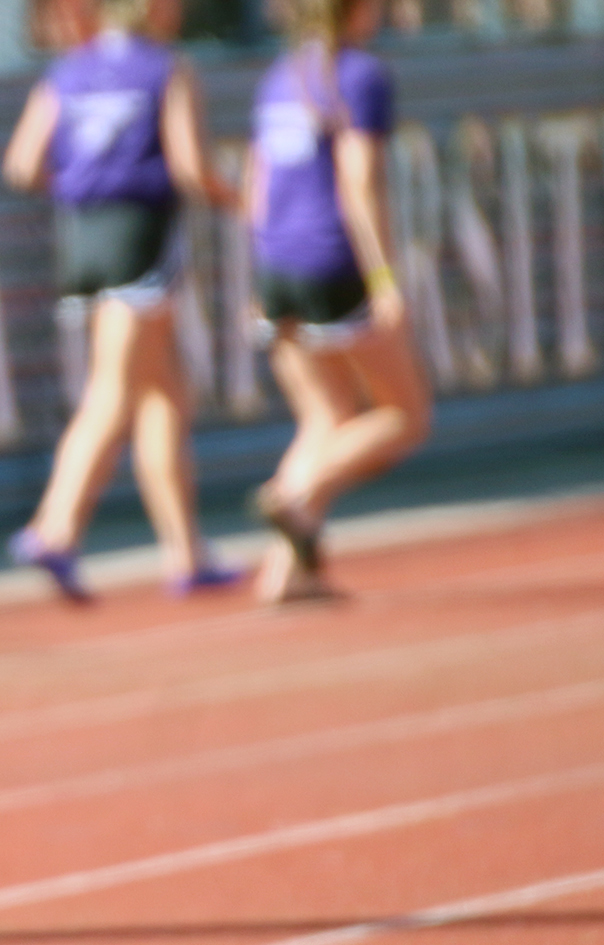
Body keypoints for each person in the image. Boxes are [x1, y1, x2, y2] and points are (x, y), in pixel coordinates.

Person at [1, 0, 239, 601]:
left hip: (84, 236)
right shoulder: (166, 67)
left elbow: (23, 164)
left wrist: (86, 185)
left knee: (165, 392)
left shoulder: (68, 70)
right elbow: (189, 165)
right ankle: (55, 526)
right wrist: (240, 199)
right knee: (114, 391)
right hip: (141, 236)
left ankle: (186, 553)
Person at [245, 0, 429, 602]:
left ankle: (285, 573)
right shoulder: (358, 75)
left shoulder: (281, 76)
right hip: (331, 261)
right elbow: (357, 181)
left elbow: (259, 186)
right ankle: (292, 497)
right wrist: (382, 278)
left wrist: (261, 275)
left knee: (325, 415)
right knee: (404, 416)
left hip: (278, 264)